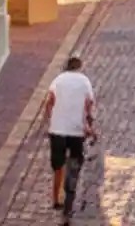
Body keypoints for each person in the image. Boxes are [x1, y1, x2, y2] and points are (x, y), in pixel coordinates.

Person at [44, 53, 95, 213]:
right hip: (76, 130)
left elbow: (50, 101)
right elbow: (89, 104)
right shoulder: (84, 81)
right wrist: (88, 126)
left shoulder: (58, 80)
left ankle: (55, 198)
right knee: (75, 161)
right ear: (79, 67)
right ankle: (70, 191)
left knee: (58, 166)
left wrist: (49, 118)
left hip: (57, 129)